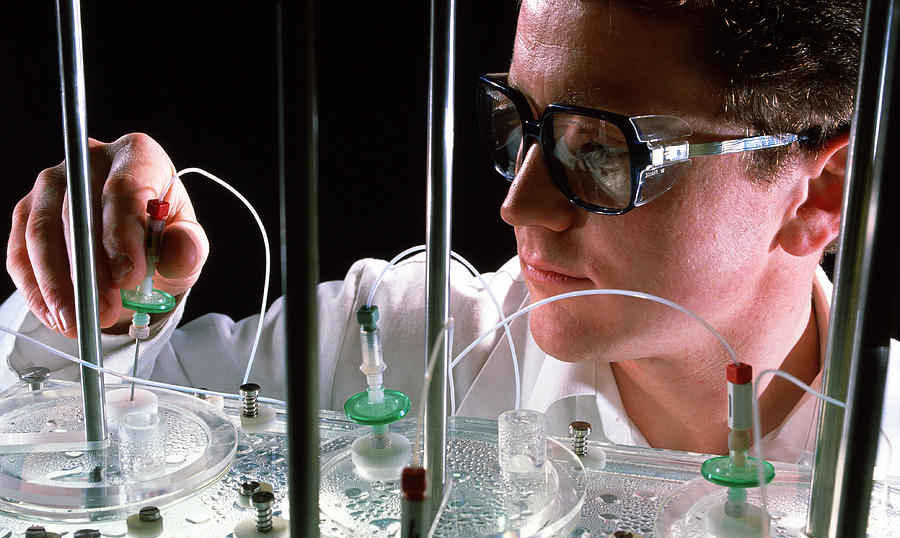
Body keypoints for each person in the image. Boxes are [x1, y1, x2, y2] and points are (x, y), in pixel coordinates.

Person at [2, 0, 897, 471]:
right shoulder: (402, 349)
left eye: (604, 152)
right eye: (521, 127)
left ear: (820, 190)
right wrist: (103, 295)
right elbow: (38, 444)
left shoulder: (885, 473)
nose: (519, 205)